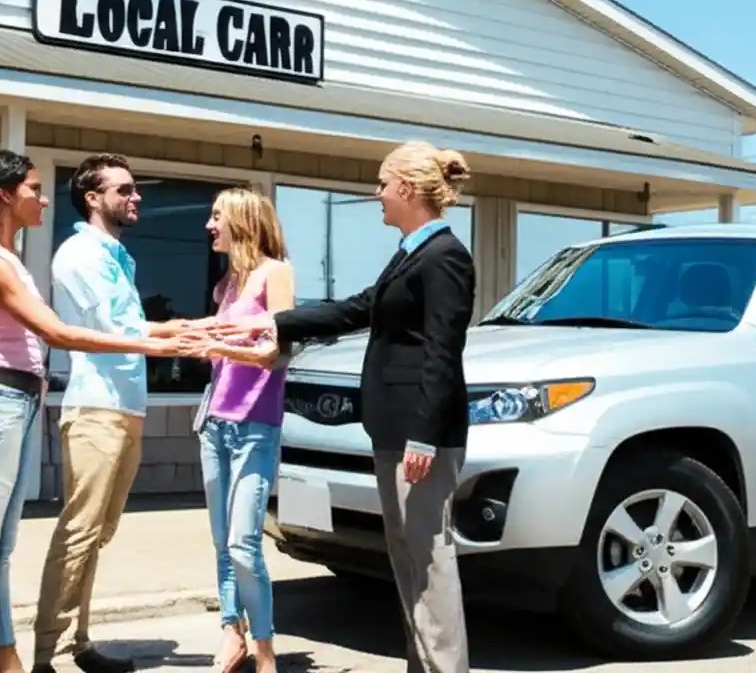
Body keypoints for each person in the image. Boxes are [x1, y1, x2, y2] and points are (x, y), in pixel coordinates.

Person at [206, 141, 476, 673]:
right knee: (408, 561)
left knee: (428, 561)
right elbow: (358, 309)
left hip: (418, 436)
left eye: (381, 184)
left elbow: (443, 351)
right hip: (392, 431)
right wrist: (273, 323)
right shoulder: (411, 253)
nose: (375, 195)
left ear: (407, 187)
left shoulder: (445, 256)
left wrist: (423, 436)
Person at [0, 150, 184, 673]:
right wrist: (155, 347)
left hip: (20, 400)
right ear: (4, 196)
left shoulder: (11, 259)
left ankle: (5, 659)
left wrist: (175, 334)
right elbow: (58, 333)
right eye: (32, 188)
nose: (42, 197)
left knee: (0, 549)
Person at [31, 154, 197, 673]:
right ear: (93, 198)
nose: (135, 197)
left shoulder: (114, 255)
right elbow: (120, 328)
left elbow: (132, 325)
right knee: (79, 531)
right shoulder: (81, 253)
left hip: (125, 407)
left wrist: (186, 329)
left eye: (133, 189)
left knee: (99, 532)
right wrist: (187, 332)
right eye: (123, 190)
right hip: (95, 409)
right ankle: (45, 655)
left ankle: (77, 643)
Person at [179, 187, 295, 673]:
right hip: (216, 425)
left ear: (244, 221)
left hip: (255, 425)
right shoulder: (225, 287)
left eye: (216, 216)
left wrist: (219, 346)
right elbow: (214, 342)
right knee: (221, 540)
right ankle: (232, 630)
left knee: (244, 540)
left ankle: (265, 650)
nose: (209, 225)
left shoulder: (277, 274)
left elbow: (281, 351)